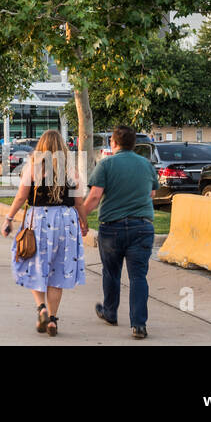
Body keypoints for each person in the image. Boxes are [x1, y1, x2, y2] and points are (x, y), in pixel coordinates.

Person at [0, 129, 87, 336]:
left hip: (39, 220)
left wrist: (8, 218)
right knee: (58, 269)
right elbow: (78, 202)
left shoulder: (33, 166)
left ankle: (42, 309)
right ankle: (53, 320)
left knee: (34, 263)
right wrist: (84, 222)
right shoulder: (71, 170)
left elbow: (21, 196)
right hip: (66, 221)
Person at [80, 125, 158, 340]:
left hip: (112, 228)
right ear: (134, 144)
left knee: (111, 272)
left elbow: (95, 197)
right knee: (138, 276)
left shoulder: (106, 164)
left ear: (112, 142)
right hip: (142, 227)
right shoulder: (146, 165)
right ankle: (139, 324)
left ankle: (110, 312)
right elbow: (151, 193)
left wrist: (81, 218)